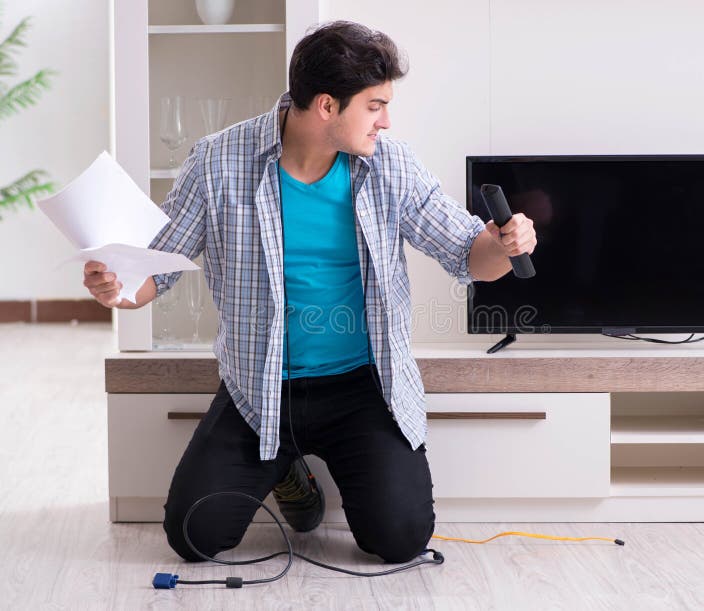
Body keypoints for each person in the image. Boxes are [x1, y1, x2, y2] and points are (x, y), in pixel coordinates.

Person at [83, 21, 536, 564]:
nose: (386, 121)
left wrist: (504, 245)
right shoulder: (217, 160)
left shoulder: (391, 165)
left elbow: (468, 255)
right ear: (326, 105)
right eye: (374, 106)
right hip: (260, 389)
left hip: (364, 388)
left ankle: (291, 462)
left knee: (400, 539)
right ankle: (285, 467)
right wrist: (115, 289)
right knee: (193, 535)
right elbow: (156, 271)